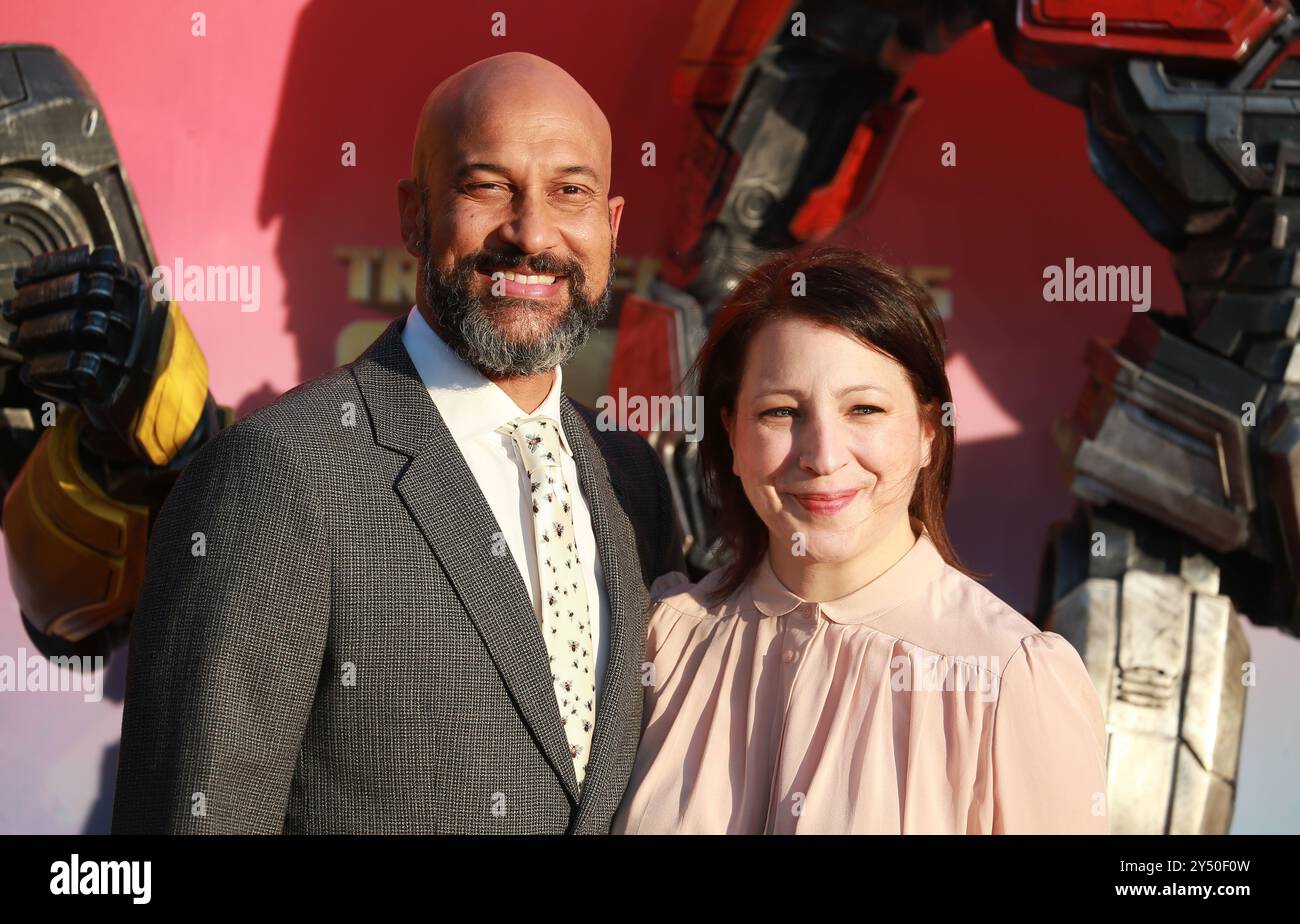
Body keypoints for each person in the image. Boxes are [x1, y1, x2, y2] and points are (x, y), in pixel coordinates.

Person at [112, 52, 682, 834]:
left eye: (570, 192)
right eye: (488, 186)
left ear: (611, 227)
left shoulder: (630, 478)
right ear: (413, 215)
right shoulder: (277, 474)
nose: (531, 233)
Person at [612, 247, 1110, 834]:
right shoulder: (663, 640)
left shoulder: (1005, 681)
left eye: (864, 409)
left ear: (929, 432)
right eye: (779, 412)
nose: (822, 455)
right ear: (732, 433)